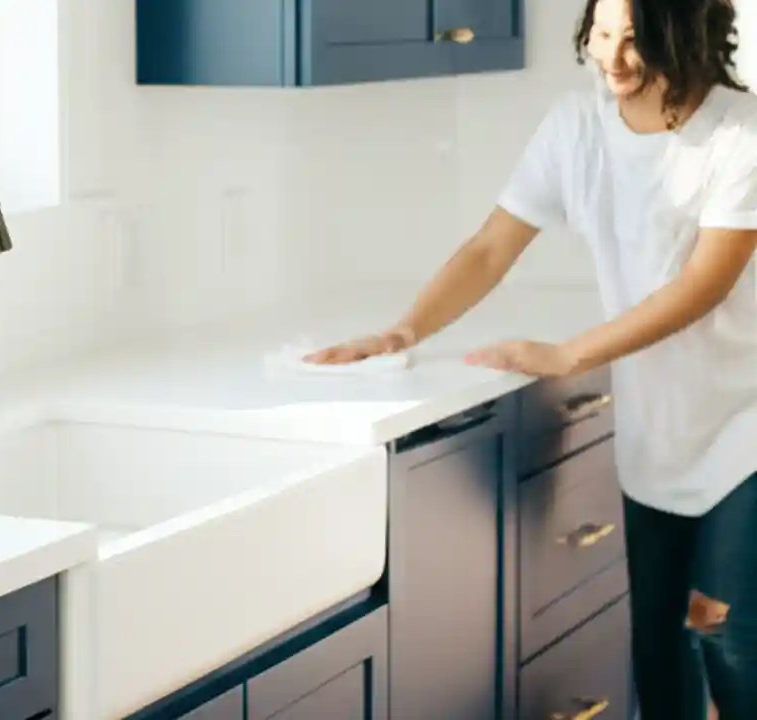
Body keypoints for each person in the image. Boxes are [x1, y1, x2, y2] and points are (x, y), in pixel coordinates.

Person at [305, 0, 757, 716]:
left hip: (744, 427)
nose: (612, 57)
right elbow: (493, 245)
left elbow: (703, 286)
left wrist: (568, 353)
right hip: (658, 435)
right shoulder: (576, 128)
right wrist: (404, 331)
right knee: (659, 654)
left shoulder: (740, 131)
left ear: (686, 32)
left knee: (729, 643)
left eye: (635, 40)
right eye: (601, 34)